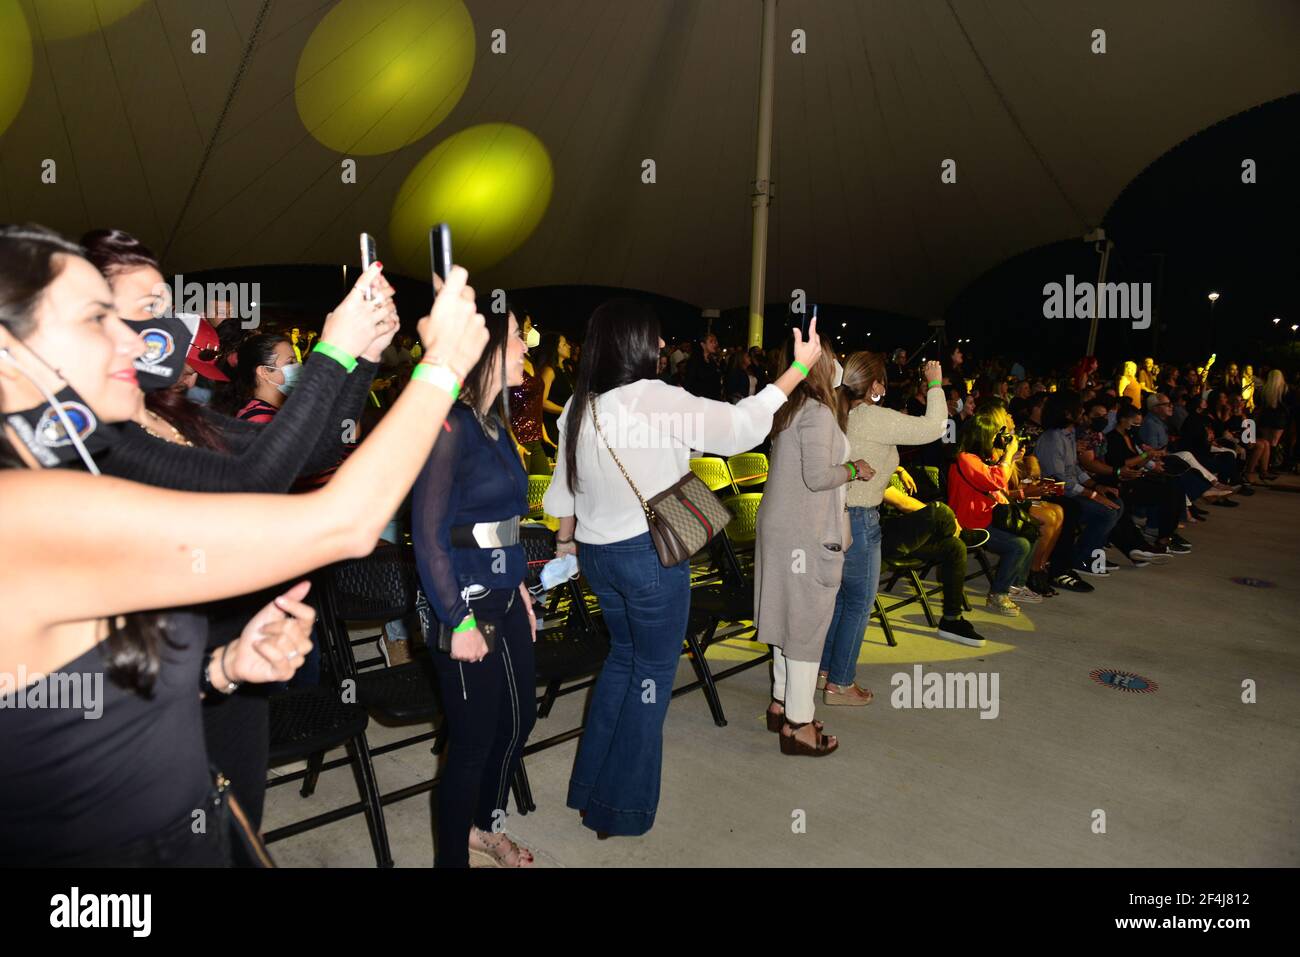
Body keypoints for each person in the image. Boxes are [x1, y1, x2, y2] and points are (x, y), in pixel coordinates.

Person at [0, 225, 488, 864]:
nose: (137, 338)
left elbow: (87, 685)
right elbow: (338, 521)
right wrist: (441, 367)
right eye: (99, 318)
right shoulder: (26, 508)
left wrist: (222, 668)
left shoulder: (71, 467)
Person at [81, 228, 393, 824]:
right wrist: (333, 352)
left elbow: (315, 450)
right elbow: (254, 481)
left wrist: (366, 354)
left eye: (168, 306)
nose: (172, 328)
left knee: (240, 828)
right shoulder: (103, 442)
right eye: (150, 311)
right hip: (159, 684)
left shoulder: (177, 415)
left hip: (234, 664)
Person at [542, 301, 821, 835]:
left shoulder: (579, 405)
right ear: (636, 345)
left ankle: (590, 790)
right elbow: (740, 427)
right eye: (655, 339)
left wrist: (564, 549)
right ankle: (618, 809)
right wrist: (799, 368)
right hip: (651, 557)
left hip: (598, 558)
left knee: (623, 664)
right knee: (650, 677)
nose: (662, 347)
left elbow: (563, 490)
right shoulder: (651, 396)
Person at [412, 304, 538, 869]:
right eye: (517, 339)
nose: (526, 350)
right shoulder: (449, 424)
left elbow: (505, 519)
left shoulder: (494, 421)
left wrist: (521, 587)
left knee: (518, 719)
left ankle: (483, 825)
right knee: (471, 742)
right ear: (487, 348)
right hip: (461, 601)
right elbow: (428, 532)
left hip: (505, 592)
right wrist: (454, 618)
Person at [757, 336, 871, 753]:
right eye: (834, 357)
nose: (839, 363)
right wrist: (853, 469)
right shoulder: (819, 413)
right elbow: (818, 477)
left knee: (788, 618)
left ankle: (783, 703)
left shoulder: (792, 407)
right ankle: (799, 726)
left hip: (784, 528)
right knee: (806, 623)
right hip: (804, 532)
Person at [949, 414, 1036, 615]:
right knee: (1019, 545)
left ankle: (1014, 584)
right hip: (968, 524)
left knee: (1031, 530)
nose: (999, 439)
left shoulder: (981, 459)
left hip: (986, 517)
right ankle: (998, 594)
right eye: (995, 435)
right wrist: (1007, 457)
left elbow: (1000, 487)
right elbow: (994, 481)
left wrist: (1011, 460)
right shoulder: (965, 458)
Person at [1035, 392, 1123, 583]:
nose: (1083, 411)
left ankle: (1088, 553)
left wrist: (1096, 486)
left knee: (1116, 503)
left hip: (1070, 488)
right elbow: (1057, 479)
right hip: (1054, 491)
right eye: (1079, 408)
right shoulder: (1052, 438)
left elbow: (1073, 467)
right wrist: (1090, 494)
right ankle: (1081, 557)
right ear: (1067, 413)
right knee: (1106, 511)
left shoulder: (1069, 433)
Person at [536, 331, 573, 448]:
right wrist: (565, 410)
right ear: (555, 348)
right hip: (552, 426)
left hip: (564, 424)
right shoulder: (549, 371)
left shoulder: (567, 369)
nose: (569, 346)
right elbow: (542, 402)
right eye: (564, 344)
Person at [682, 332, 725, 400]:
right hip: (699, 402)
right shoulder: (694, 361)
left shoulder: (712, 361)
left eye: (715, 341)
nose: (715, 344)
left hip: (713, 401)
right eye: (711, 341)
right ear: (703, 345)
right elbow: (689, 383)